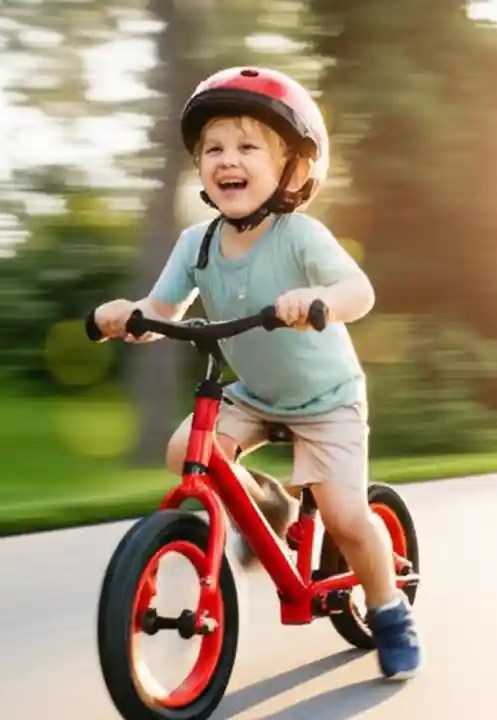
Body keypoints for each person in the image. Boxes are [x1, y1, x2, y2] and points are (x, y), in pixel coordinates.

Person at [89, 66, 421, 680]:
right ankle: (269, 504)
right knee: (182, 454)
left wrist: (318, 305)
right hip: (252, 393)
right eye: (213, 148)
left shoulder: (300, 236)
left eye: (247, 147)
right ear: (202, 170)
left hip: (326, 400)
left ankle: (390, 609)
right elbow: (159, 312)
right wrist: (124, 316)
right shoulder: (197, 244)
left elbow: (360, 290)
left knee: (347, 519)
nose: (227, 160)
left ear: (290, 169)